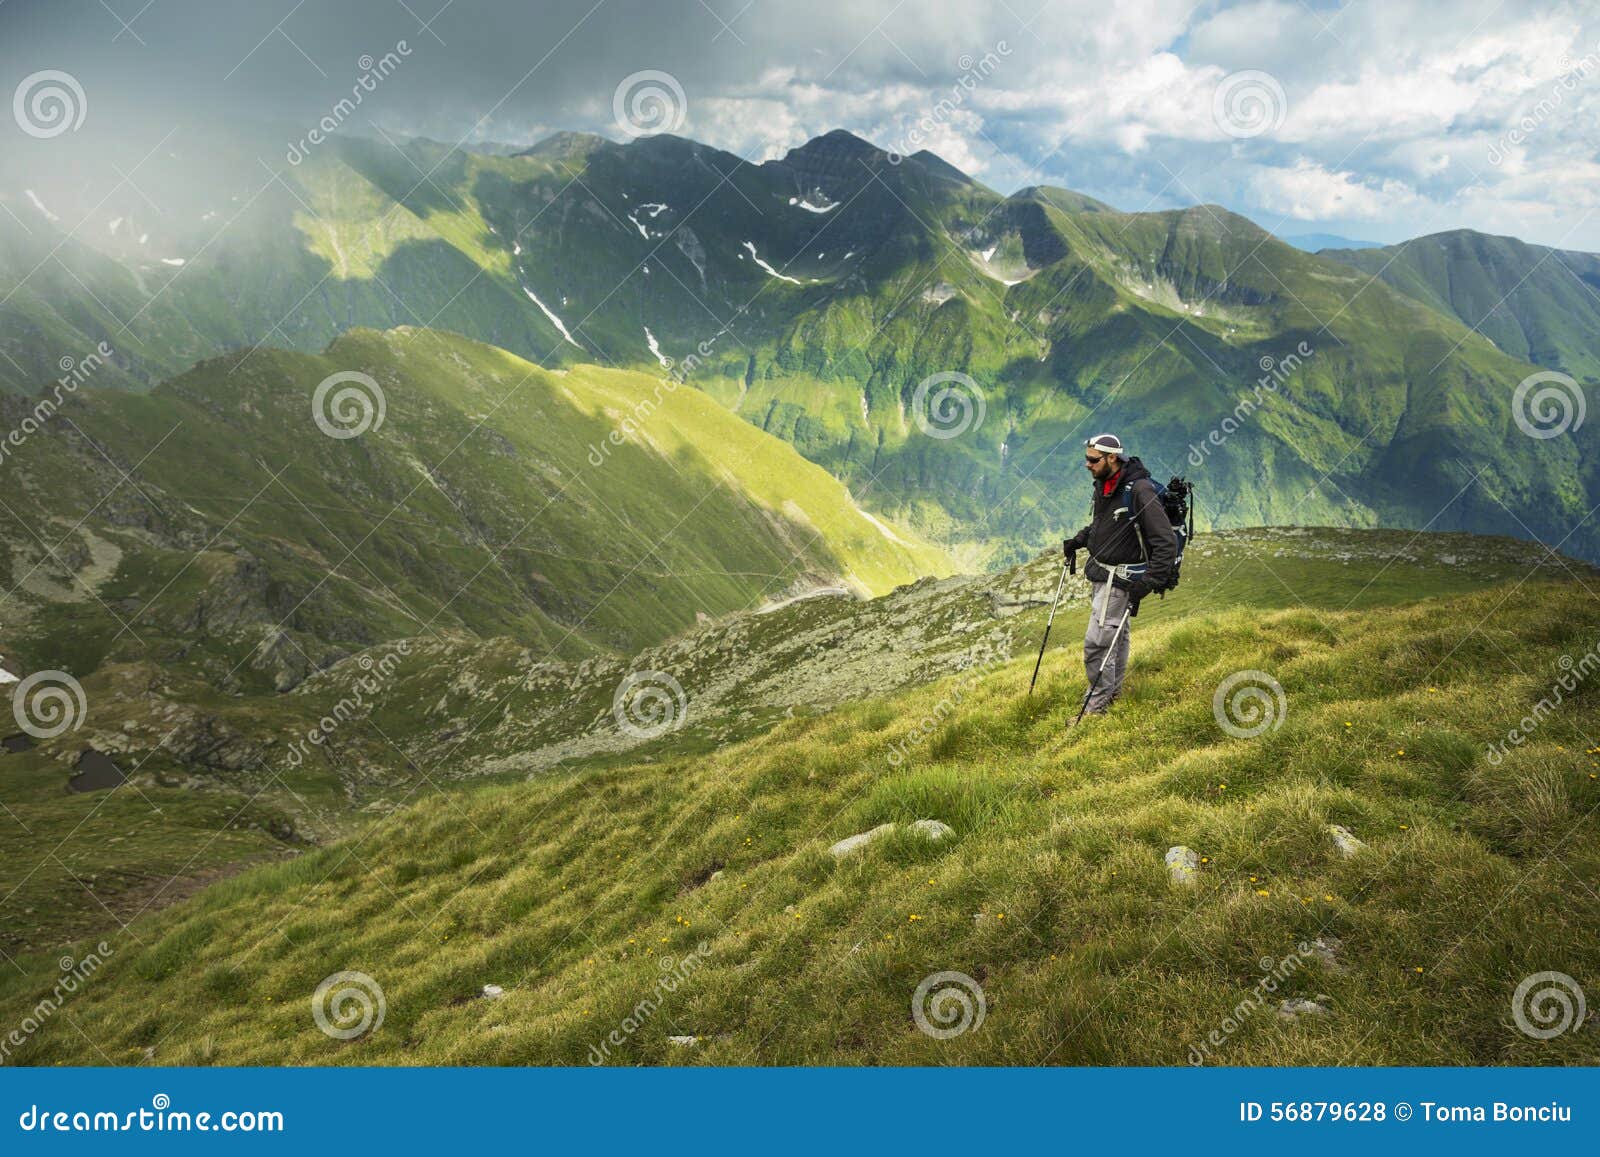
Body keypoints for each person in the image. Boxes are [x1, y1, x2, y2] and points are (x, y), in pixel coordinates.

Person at [1061, 434, 1178, 716]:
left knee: (1097, 644)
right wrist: (1079, 540)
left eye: (1093, 460)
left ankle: (1095, 707)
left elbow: (1166, 541)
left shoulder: (1139, 491)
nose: (1087, 464)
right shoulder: (1106, 484)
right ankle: (1112, 693)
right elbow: (1106, 526)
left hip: (1119, 579)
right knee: (1118, 637)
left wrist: (1149, 582)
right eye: (1087, 458)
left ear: (1112, 457)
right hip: (1103, 574)